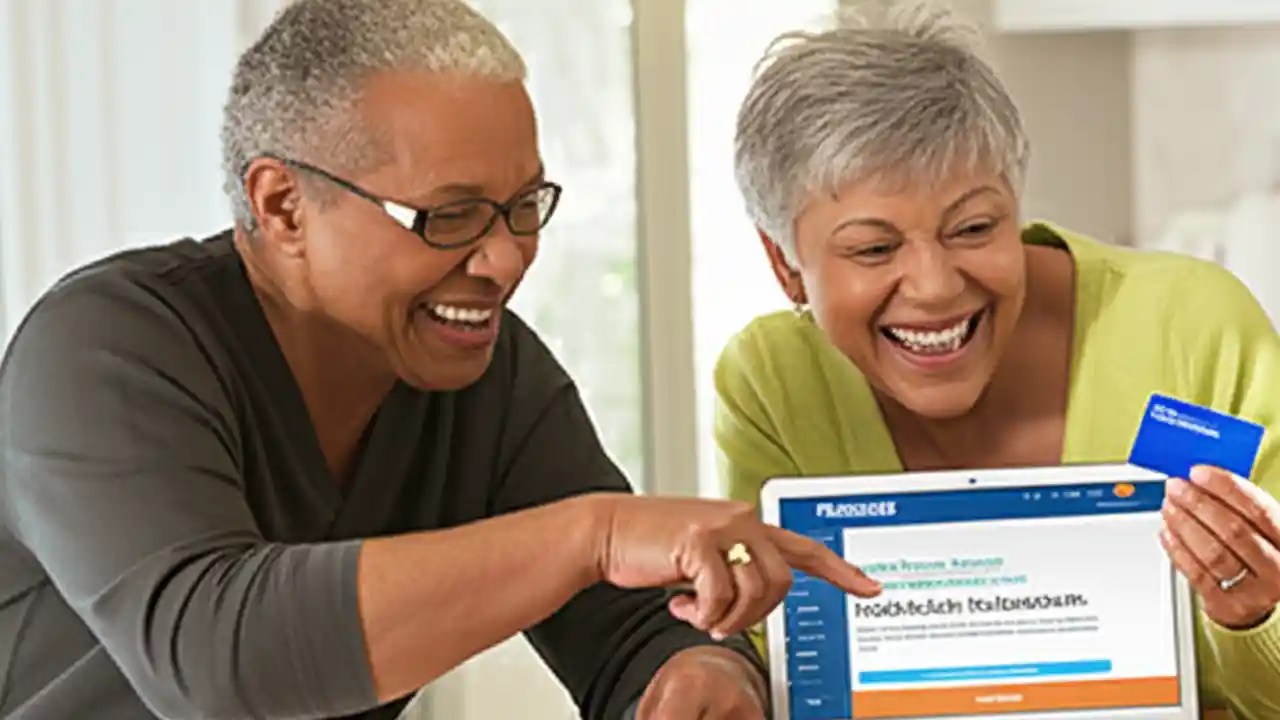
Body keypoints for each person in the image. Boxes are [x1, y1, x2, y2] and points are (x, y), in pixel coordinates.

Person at [0, 1, 882, 718]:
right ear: (283, 206)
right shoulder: (104, 348)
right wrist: (598, 533)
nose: (504, 259)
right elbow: (225, 661)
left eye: (523, 206)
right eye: (449, 216)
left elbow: (628, 632)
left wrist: (698, 675)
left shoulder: (486, 376)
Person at [714, 4, 1280, 719]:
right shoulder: (772, 383)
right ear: (785, 265)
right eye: (874, 249)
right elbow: (786, 669)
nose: (935, 286)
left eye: (974, 228)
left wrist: (1253, 618)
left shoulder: (1191, 330)